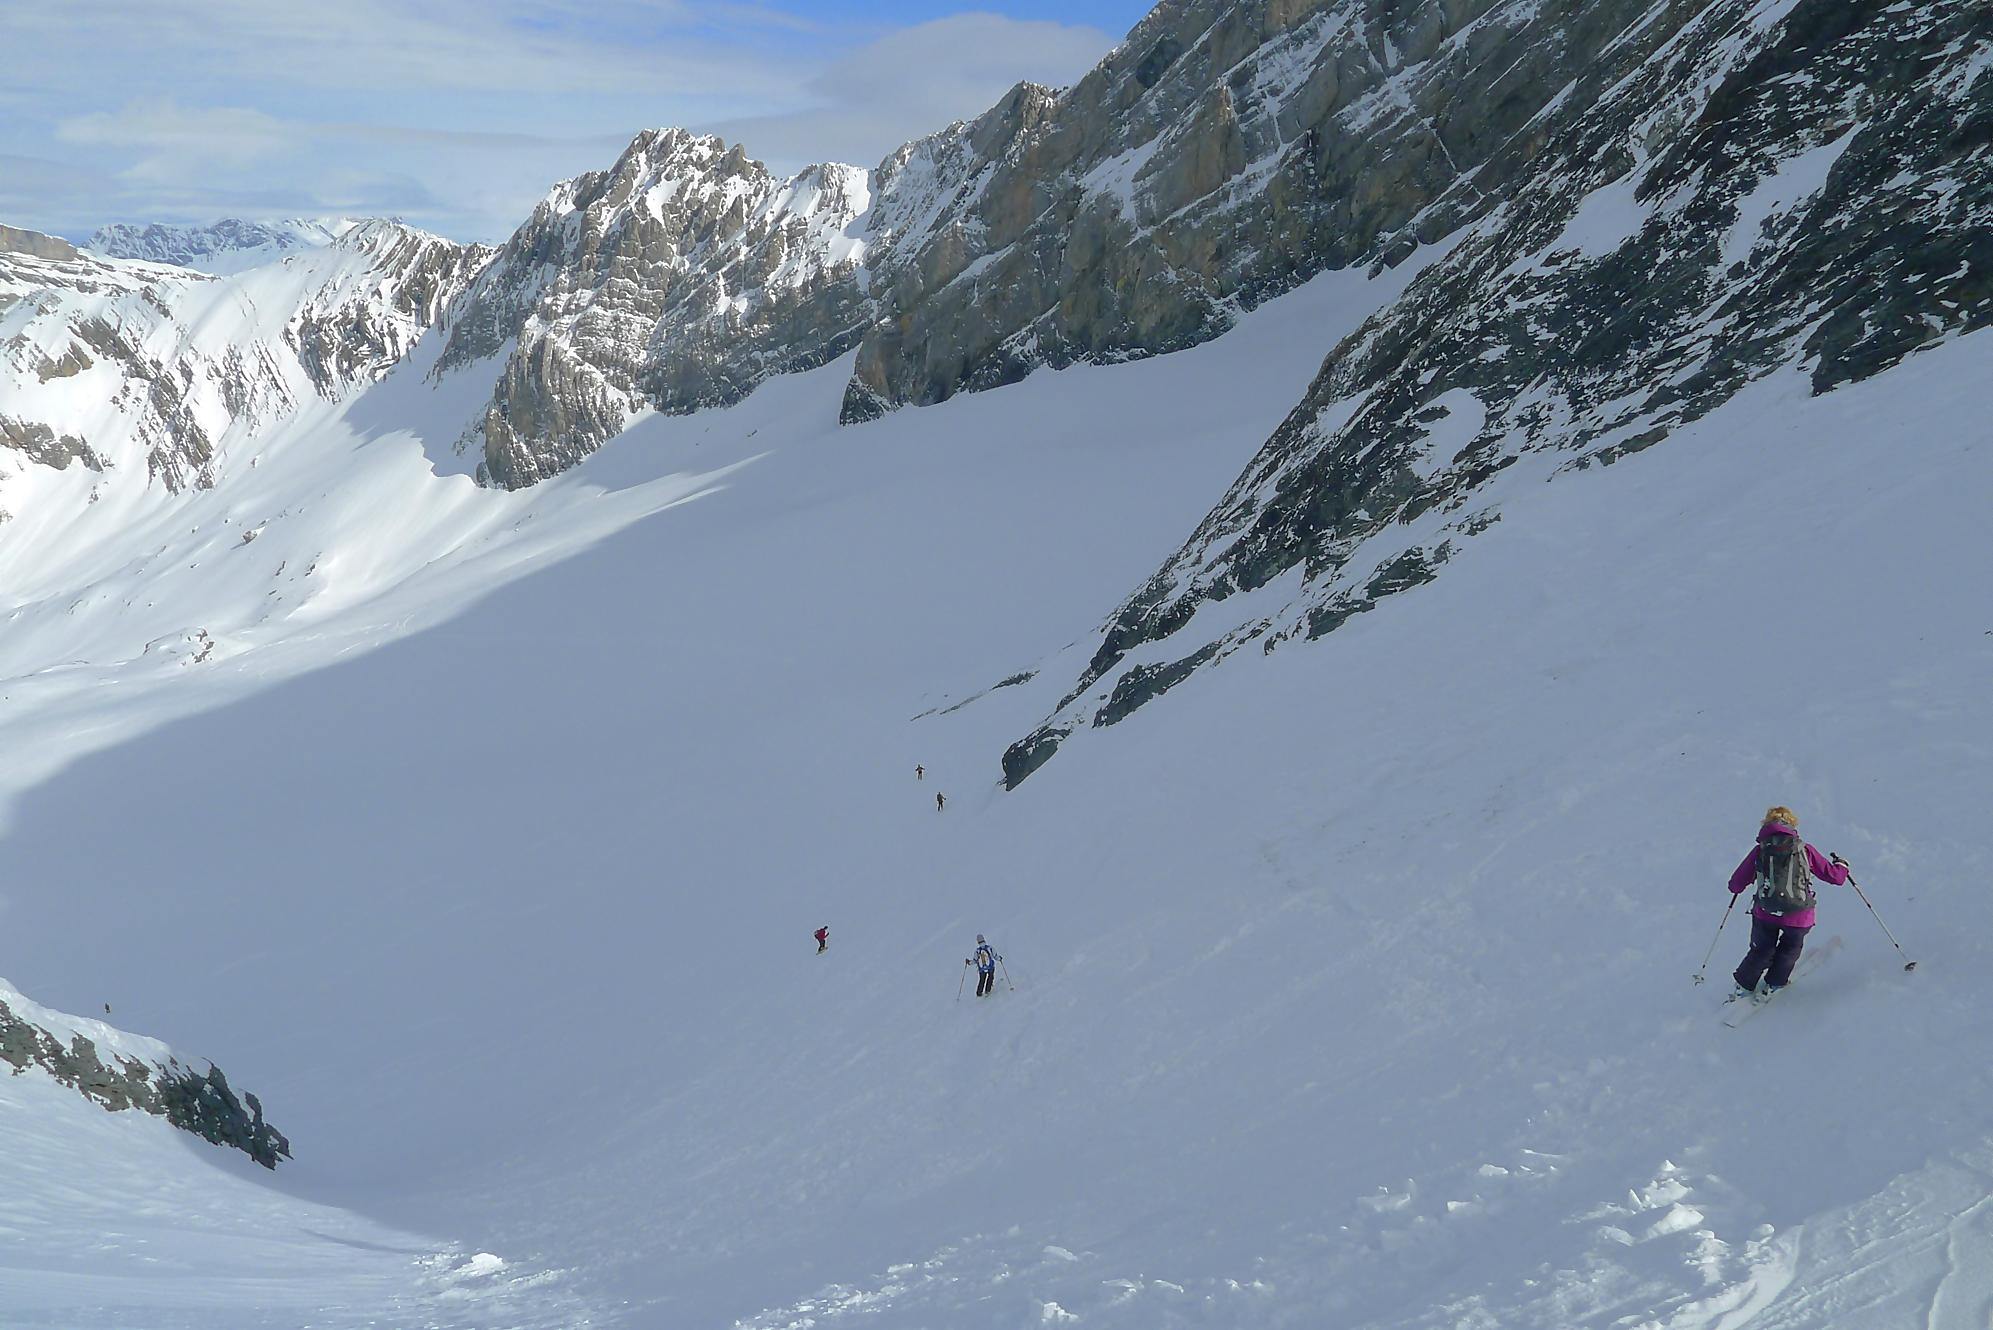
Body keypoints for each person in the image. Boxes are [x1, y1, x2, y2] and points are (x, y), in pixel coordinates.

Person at [1727, 805, 1850, 999]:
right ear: (1792, 825)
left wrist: (1738, 887)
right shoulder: (1804, 849)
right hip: (1799, 914)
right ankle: (1774, 983)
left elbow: (1736, 883)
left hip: (1766, 912)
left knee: (1761, 949)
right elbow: (1836, 877)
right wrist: (1842, 865)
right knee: (1789, 949)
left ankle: (1743, 985)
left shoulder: (1760, 850)